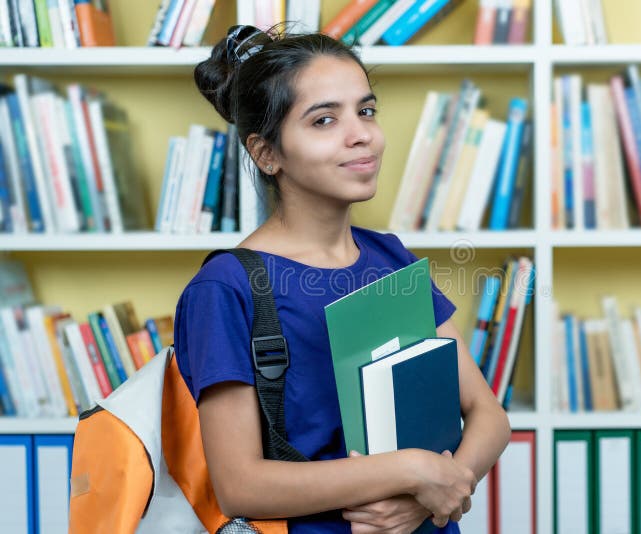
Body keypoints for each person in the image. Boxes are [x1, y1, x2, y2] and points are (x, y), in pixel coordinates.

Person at [174, 24, 511, 534]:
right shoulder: (225, 288)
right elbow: (239, 485)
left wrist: (427, 498)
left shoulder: (391, 257)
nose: (361, 134)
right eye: (324, 119)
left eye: (366, 110)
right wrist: (409, 471)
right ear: (267, 153)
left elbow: (489, 416)